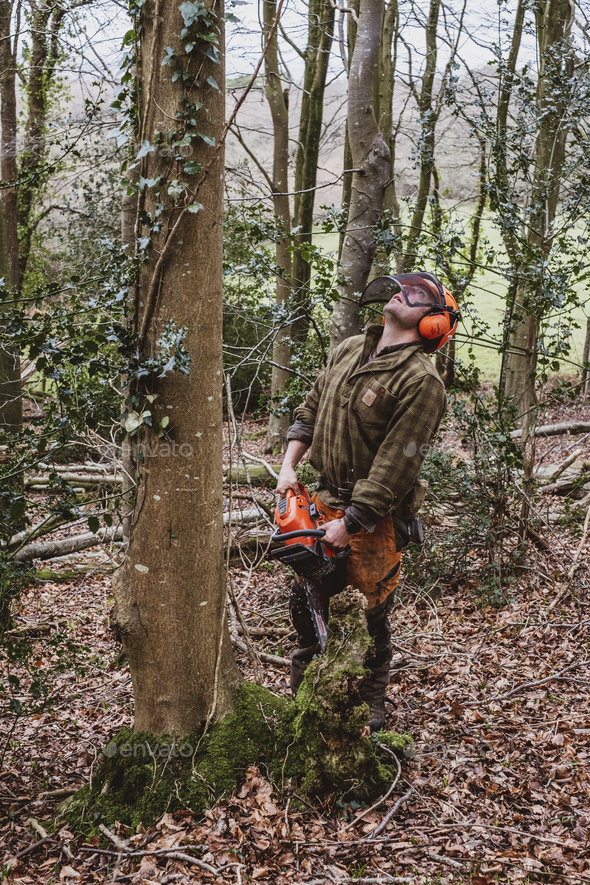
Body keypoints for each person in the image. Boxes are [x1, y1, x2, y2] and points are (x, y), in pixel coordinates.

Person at [275, 272, 460, 732]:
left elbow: (397, 465)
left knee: (369, 619)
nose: (402, 293)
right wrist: (288, 465)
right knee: (307, 606)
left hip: (373, 520)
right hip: (321, 501)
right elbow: (311, 408)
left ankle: (369, 713)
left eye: (418, 296)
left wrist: (352, 521)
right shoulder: (351, 347)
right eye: (403, 287)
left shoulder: (422, 382)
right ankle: (303, 706)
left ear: (434, 324)